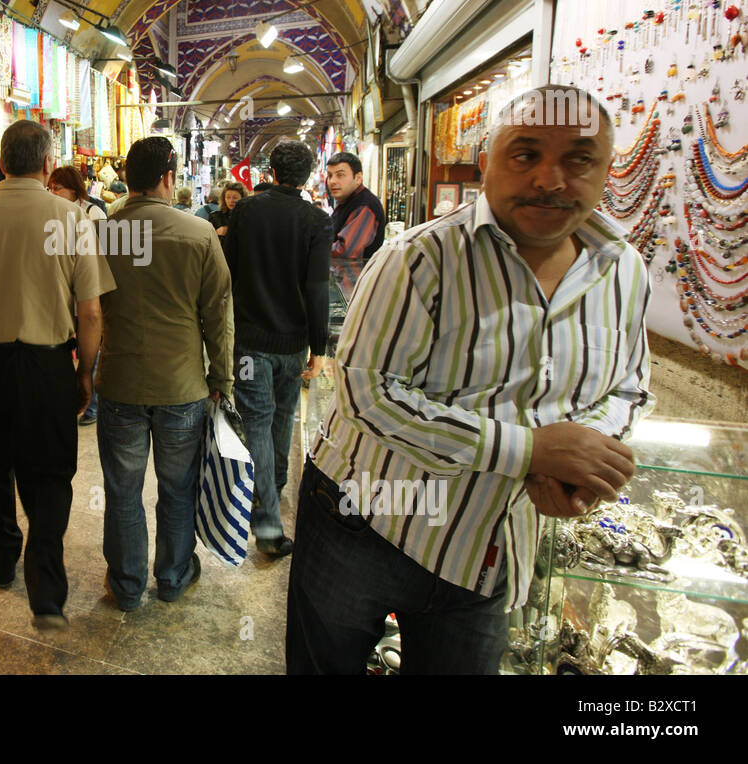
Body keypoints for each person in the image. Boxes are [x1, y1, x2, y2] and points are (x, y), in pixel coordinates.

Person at [288, 85, 651, 675]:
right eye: (526, 154)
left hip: (491, 546)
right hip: (366, 522)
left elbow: (629, 385)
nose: (551, 179)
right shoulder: (420, 258)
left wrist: (577, 456)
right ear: (487, 163)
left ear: (606, 168)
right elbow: (367, 392)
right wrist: (528, 450)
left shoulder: (623, 271)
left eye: (579, 158)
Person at [0, 120, 114, 630]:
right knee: (50, 472)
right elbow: (91, 313)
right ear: (48, 163)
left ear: (1, 162)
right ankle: (46, 592)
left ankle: (4, 556)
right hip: (47, 361)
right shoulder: (71, 218)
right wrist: (86, 373)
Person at [97, 137, 233, 611]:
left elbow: (89, 312)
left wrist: (82, 374)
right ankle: (172, 577)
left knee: (122, 492)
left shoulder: (105, 234)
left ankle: (128, 586)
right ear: (168, 178)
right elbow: (217, 314)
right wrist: (223, 379)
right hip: (182, 387)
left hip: (119, 384)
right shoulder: (198, 235)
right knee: (177, 490)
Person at [221, 141, 330, 559]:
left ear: (273, 170)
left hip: (250, 343)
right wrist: (318, 347)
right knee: (284, 415)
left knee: (258, 421)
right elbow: (317, 288)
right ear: (307, 174)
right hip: (292, 345)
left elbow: (227, 271)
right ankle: (272, 497)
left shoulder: (246, 211)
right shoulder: (316, 221)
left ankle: (266, 505)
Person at [48, 164, 106, 426]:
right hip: (63, 294)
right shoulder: (54, 213)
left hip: (87, 292)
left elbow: (101, 254)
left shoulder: (93, 212)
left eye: (56, 188)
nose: (52, 192)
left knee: (88, 349)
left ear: (73, 189)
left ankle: (92, 406)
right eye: (49, 187)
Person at [326, 152, 385, 259]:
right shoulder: (347, 202)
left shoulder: (365, 206)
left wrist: (314, 249)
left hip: (356, 275)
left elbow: (345, 251)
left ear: (358, 178)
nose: (332, 181)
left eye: (340, 175)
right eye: (330, 176)